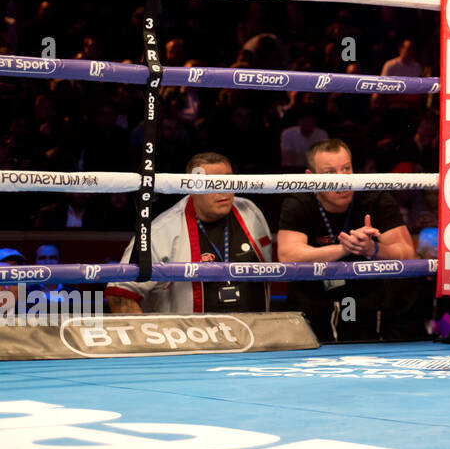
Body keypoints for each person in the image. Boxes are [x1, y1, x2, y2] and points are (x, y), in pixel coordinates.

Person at [277, 139, 417, 342]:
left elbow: (407, 254)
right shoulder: (299, 202)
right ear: (311, 177)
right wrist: (344, 249)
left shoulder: (374, 197)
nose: (341, 179)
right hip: (314, 298)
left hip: (369, 298)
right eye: (330, 173)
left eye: (346, 169)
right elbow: (288, 256)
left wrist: (371, 249)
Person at [106, 152, 274, 314]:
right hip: (191, 339)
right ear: (192, 188)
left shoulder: (251, 212)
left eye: (227, 181)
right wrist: (150, 338)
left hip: (255, 337)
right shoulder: (162, 231)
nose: (223, 191)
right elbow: (119, 293)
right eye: (212, 184)